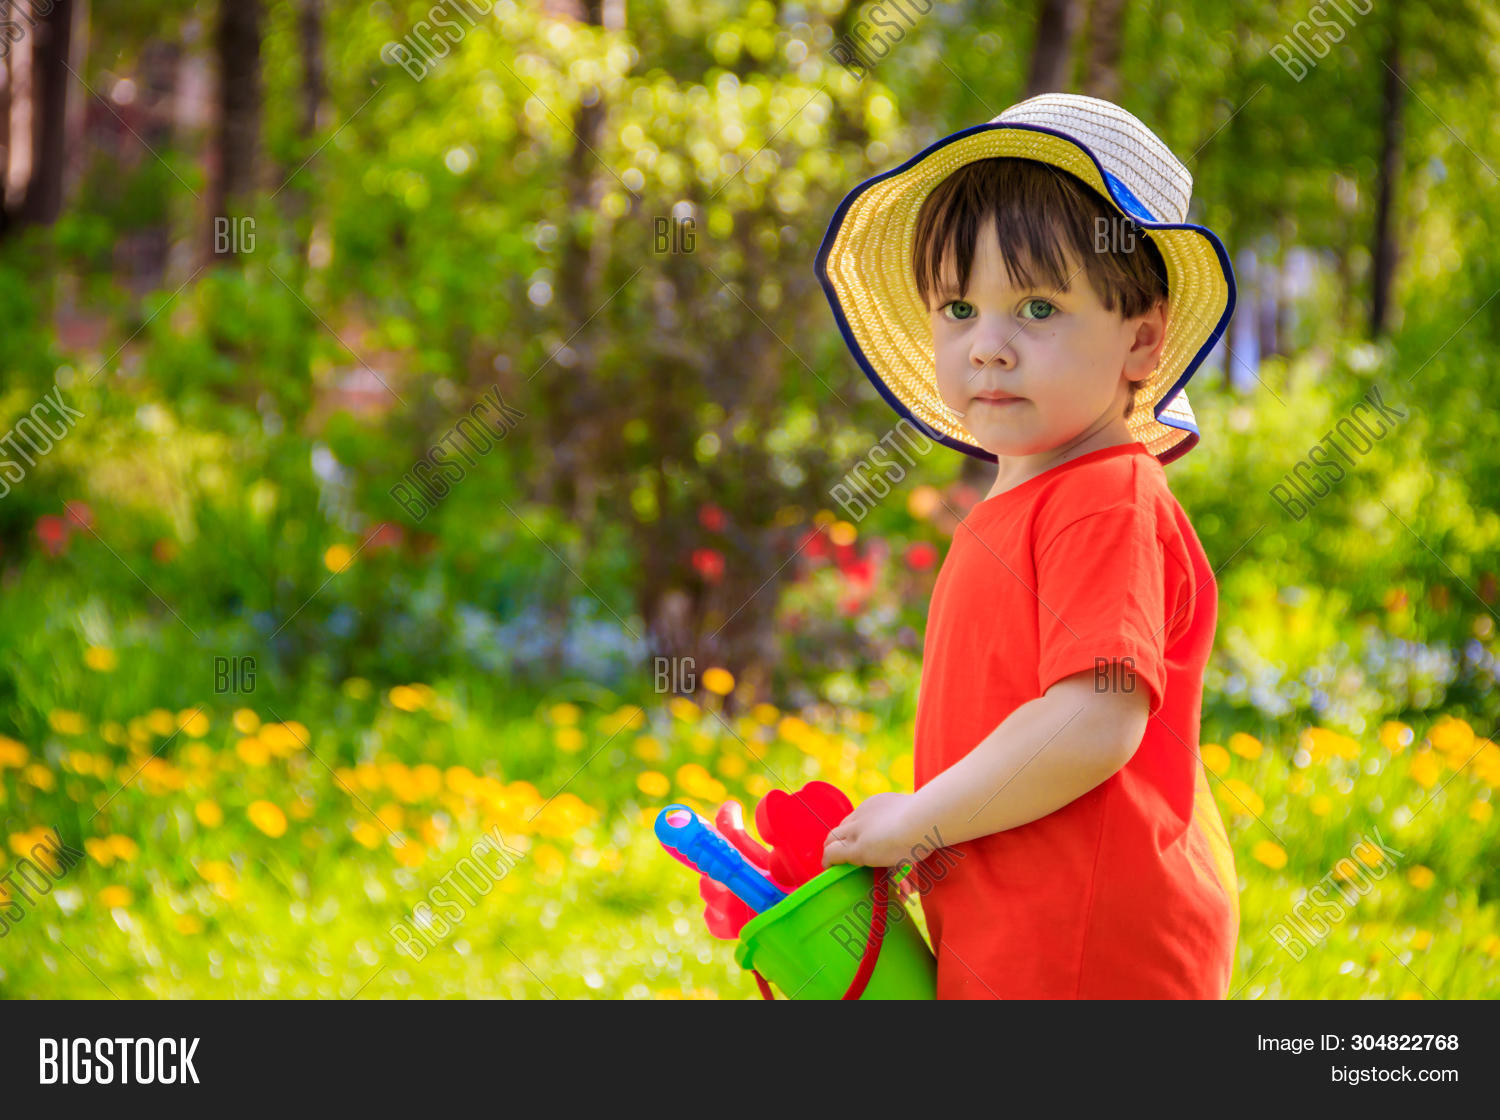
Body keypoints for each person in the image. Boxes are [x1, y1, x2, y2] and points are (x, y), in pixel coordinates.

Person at [817, 93, 1241, 998]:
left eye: (1038, 308)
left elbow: (1095, 719)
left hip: (1092, 950)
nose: (990, 348)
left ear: (1143, 337)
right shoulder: (1023, 500)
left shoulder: (1105, 496)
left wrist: (920, 822)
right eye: (960, 307)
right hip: (1022, 931)